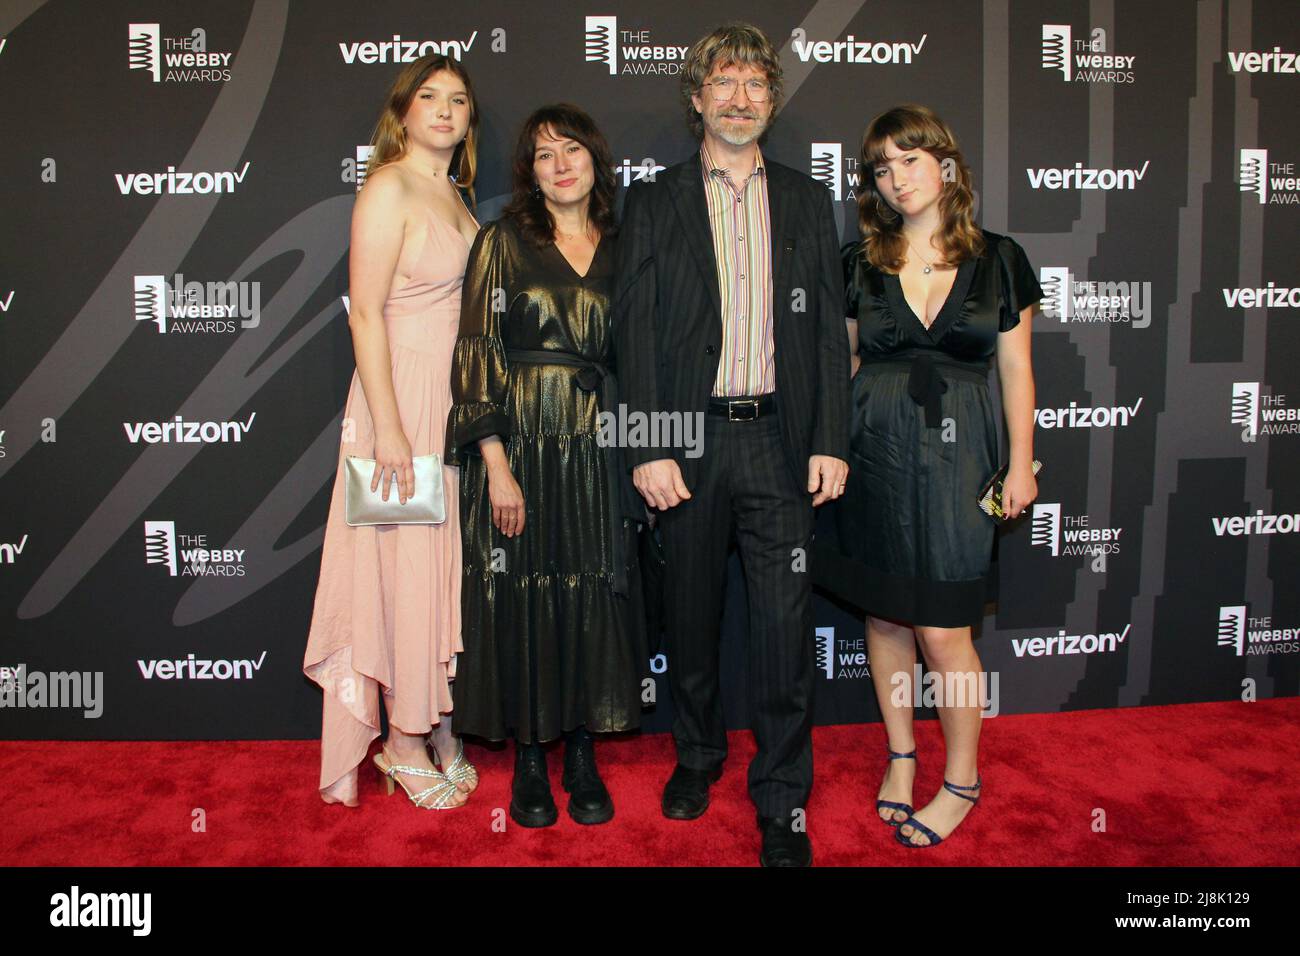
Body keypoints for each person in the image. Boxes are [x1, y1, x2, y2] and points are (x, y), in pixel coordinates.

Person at [613, 22, 849, 867]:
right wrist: (648, 444)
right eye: (725, 82)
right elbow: (634, 334)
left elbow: (826, 328)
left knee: (785, 635)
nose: (741, 97)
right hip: (689, 443)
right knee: (692, 619)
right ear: (697, 97)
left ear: (772, 100)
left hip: (781, 446)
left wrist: (831, 437)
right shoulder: (654, 201)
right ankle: (699, 756)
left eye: (755, 83)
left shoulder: (804, 198)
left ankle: (783, 799)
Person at [820, 104, 1041, 847]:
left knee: (946, 630)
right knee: (885, 617)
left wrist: (1020, 464)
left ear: (945, 164)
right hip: (874, 447)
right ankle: (903, 756)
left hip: (961, 460)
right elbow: (845, 364)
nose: (896, 178)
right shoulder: (858, 264)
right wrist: (832, 449)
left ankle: (963, 778)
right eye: (881, 167)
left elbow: (1016, 368)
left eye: (908, 159)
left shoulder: (1000, 257)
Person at [446, 104, 646, 828]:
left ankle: (584, 748)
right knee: (524, 588)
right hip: (522, 439)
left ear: (596, 160)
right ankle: (531, 753)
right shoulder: (503, 241)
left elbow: (648, 351)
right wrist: (495, 464)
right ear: (528, 174)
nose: (560, 165)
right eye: (542, 156)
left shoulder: (627, 243)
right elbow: (476, 350)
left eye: (572, 151)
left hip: (600, 441)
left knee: (593, 584)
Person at [303, 54, 482, 810]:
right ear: (402, 112)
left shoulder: (458, 196)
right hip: (398, 397)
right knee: (399, 570)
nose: (445, 110)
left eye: (460, 99)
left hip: (449, 399)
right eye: (430, 97)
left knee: (436, 567)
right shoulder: (387, 186)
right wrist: (387, 429)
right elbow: (367, 312)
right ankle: (400, 743)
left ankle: (432, 718)